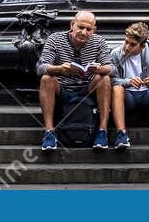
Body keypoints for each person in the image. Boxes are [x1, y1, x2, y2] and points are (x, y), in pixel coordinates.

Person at [37, 10, 113, 151]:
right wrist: (59, 69)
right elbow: (40, 67)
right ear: (72, 24)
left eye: (89, 29)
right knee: (46, 78)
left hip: (88, 88)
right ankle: (49, 131)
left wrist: (99, 69)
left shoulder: (99, 41)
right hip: (63, 89)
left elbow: (111, 68)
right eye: (81, 27)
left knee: (105, 79)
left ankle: (102, 131)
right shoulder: (55, 39)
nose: (84, 32)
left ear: (94, 30)